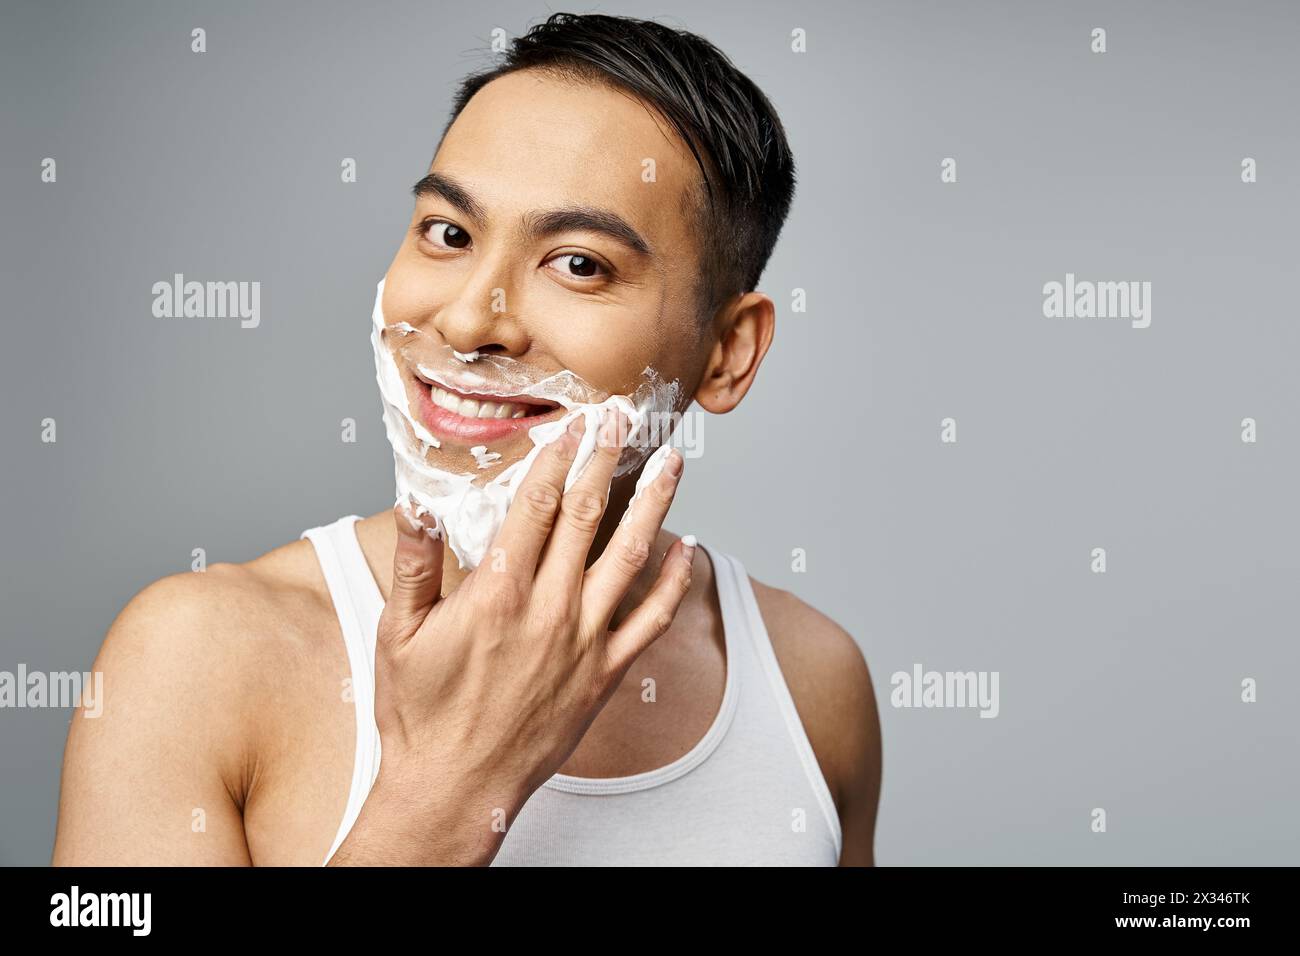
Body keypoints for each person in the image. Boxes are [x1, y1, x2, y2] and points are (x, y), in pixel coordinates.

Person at [51, 12, 881, 866]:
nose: (463, 318)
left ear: (728, 353)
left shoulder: (811, 681)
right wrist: (452, 785)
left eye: (579, 263)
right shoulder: (194, 659)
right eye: (449, 235)